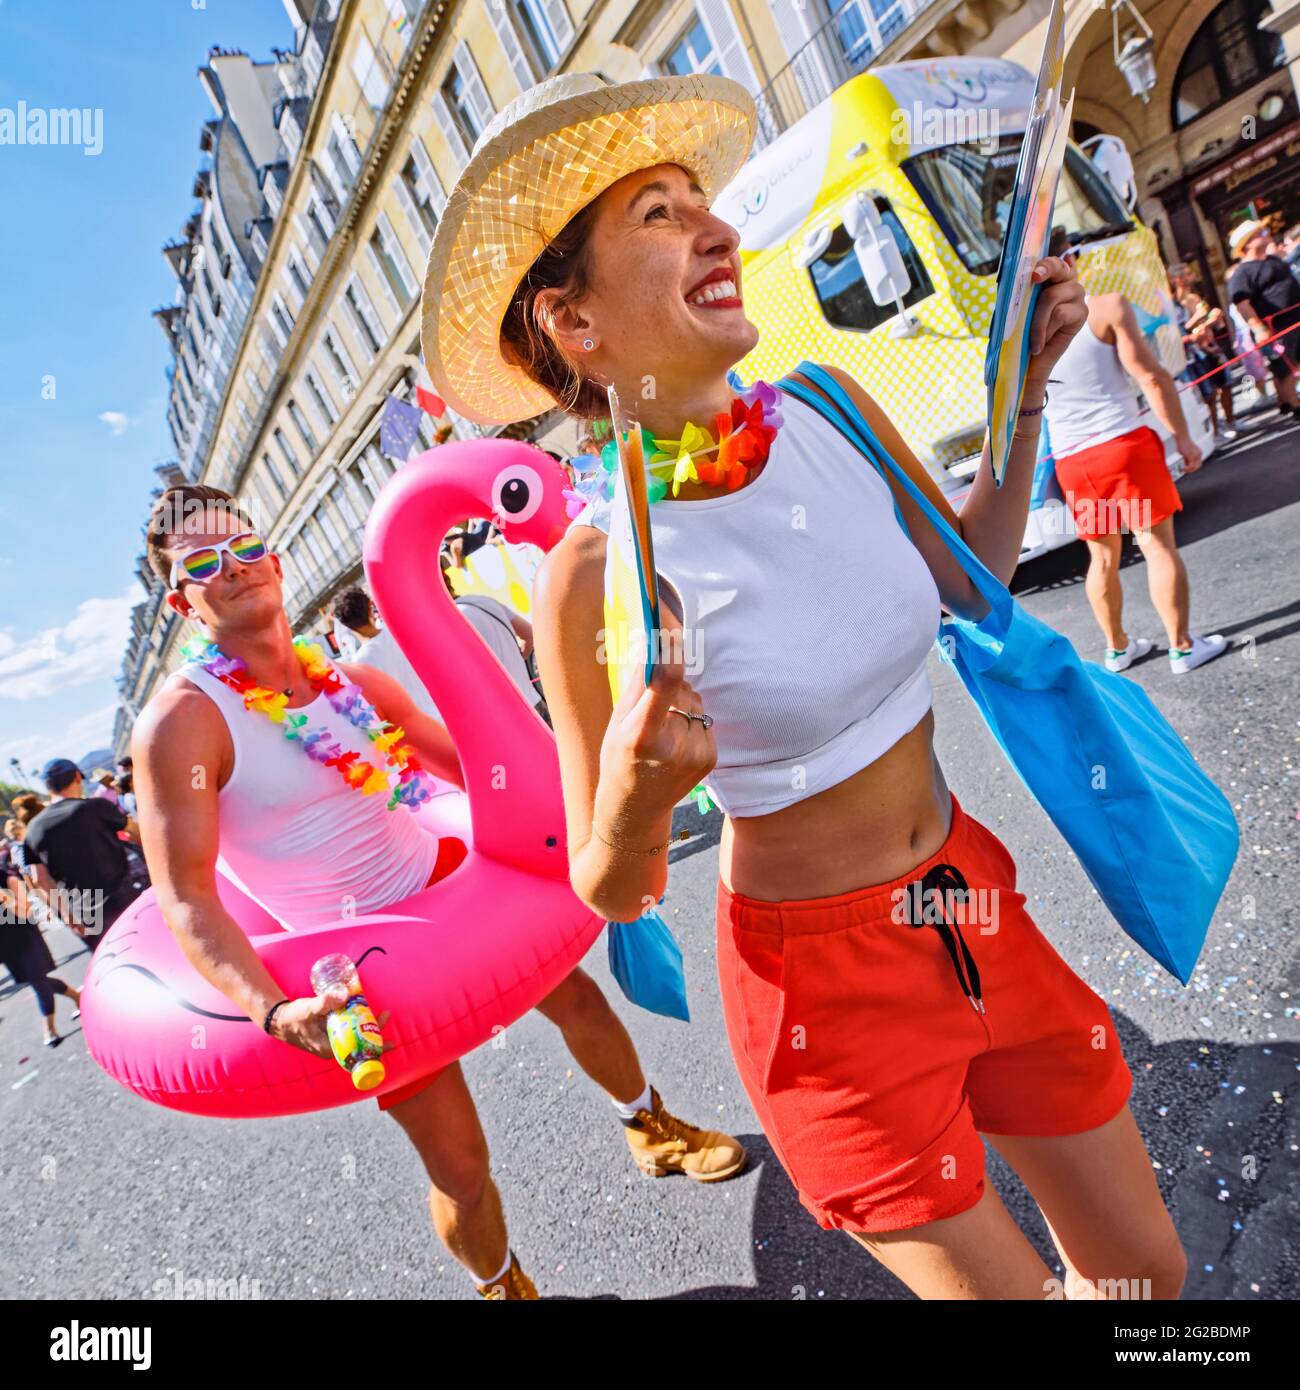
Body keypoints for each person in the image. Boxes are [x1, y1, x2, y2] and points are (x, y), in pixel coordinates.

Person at [423, 70, 1186, 1300]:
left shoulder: (829, 408)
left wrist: (1029, 391)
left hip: (967, 899)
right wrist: (632, 790)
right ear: (576, 323)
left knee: (1147, 1271)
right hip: (817, 984)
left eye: (696, 200)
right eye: (658, 219)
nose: (716, 229)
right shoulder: (593, 570)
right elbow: (608, 886)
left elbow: (972, 584)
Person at [133, 483, 744, 1300]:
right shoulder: (181, 723)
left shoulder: (354, 686)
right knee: (460, 1167)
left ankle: (650, 1126)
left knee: (584, 1004)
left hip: (453, 895)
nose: (234, 568)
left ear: (274, 560)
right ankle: (503, 1287)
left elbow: (475, 772)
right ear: (182, 599)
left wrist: (599, 827)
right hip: (360, 969)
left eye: (244, 546)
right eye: (204, 561)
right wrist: (275, 1012)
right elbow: (186, 898)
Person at [1042, 230, 1226, 675]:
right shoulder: (1105, 307)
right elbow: (1151, 377)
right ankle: (1181, 647)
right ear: (1066, 260)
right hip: (1122, 447)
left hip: (1074, 463)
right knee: (1156, 545)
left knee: (1102, 556)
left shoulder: (1026, 333)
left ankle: (1117, 648)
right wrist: (1180, 436)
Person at [22, 760, 144, 948]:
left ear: (48, 787)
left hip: (84, 912)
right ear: (78, 776)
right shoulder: (94, 807)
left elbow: (40, 879)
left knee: (114, 965)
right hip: (125, 898)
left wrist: (68, 915)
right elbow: (136, 832)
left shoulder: (33, 830)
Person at [1, 830, 82, 1046]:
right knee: (39, 981)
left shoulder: (5, 876)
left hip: (24, 939)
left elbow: (25, 911)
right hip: (5, 947)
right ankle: (77, 997)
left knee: (38, 983)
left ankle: (49, 1028)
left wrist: (3, 898)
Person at [1226, 219, 1300, 413]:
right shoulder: (1242, 273)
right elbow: (1242, 303)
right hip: (1276, 327)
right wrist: (1258, 328)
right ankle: (1295, 406)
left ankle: (1286, 402)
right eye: (1260, 234)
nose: (1265, 234)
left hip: (1295, 318)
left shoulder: (1273, 261)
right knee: (1286, 369)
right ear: (1247, 243)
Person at [1169, 266, 1236, 443]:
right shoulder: (1174, 303)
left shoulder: (1191, 298)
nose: (1193, 276)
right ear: (1177, 279)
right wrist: (1199, 322)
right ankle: (1214, 432)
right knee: (1208, 393)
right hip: (1193, 354)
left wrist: (1210, 321)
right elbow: (1181, 330)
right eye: (1188, 274)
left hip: (1204, 349)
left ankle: (1227, 424)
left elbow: (1195, 326)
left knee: (1223, 384)